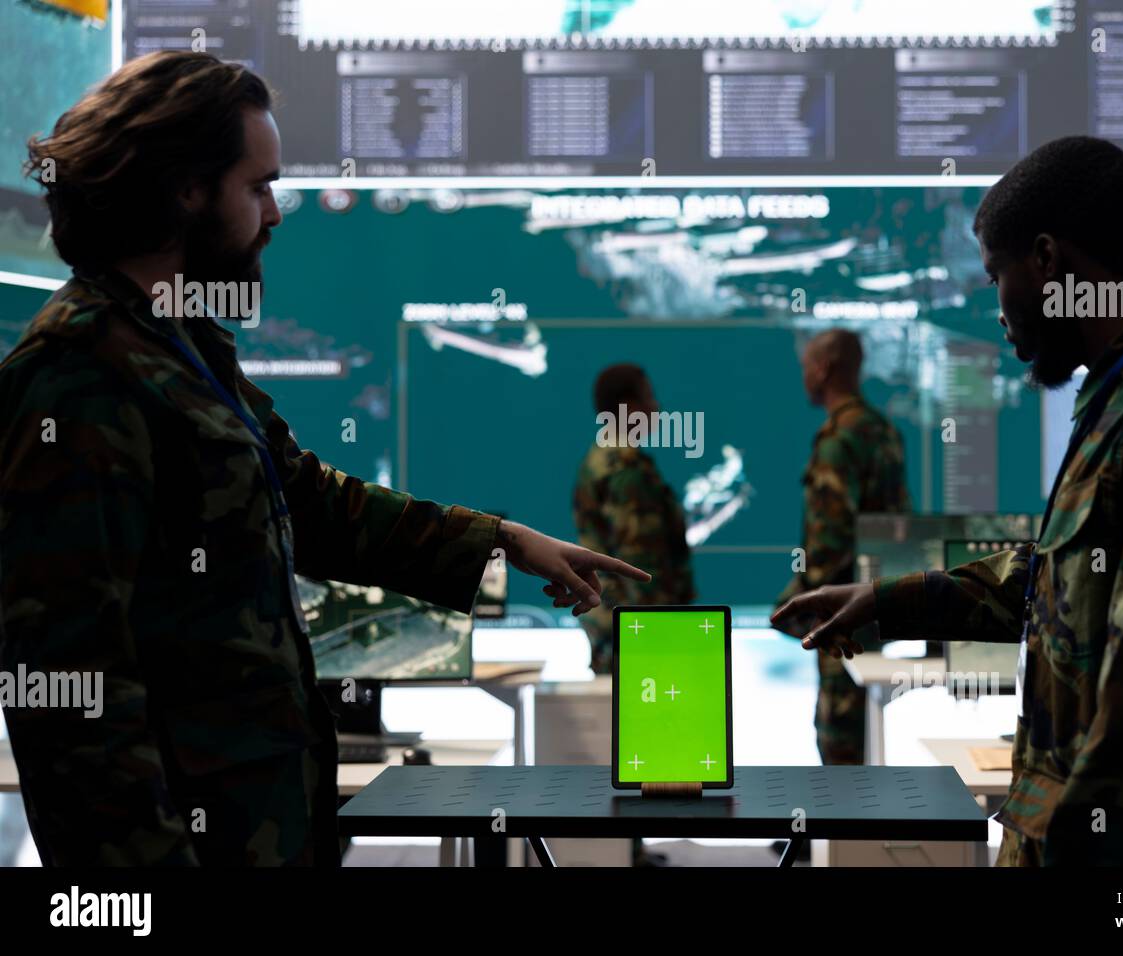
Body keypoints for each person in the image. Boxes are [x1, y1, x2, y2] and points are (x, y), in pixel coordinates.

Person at [0, 51, 648, 866]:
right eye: (258, 186)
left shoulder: (181, 345)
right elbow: (73, 689)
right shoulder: (77, 375)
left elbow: (309, 500)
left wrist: (502, 541)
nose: (275, 212)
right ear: (185, 190)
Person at [773, 135, 1123, 865]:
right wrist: (883, 601)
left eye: (997, 277)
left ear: (1048, 262)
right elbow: (1064, 577)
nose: (996, 309)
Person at [774, 329, 910, 765]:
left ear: (824, 368)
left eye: (805, 367)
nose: (803, 377)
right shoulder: (883, 431)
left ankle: (839, 829)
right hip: (880, 605)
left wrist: (801, 602)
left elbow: (827, 544)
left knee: (840, 742)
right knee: (866, 730)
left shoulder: (838, 440)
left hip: (840, 618)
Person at [573, 364, 696, 674]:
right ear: (628, 407)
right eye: (649, 398)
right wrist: (665, 635)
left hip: (618, 626)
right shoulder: (625, 470)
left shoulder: (601, 459)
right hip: (637, 634)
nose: (656, 407)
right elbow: (640, 567)